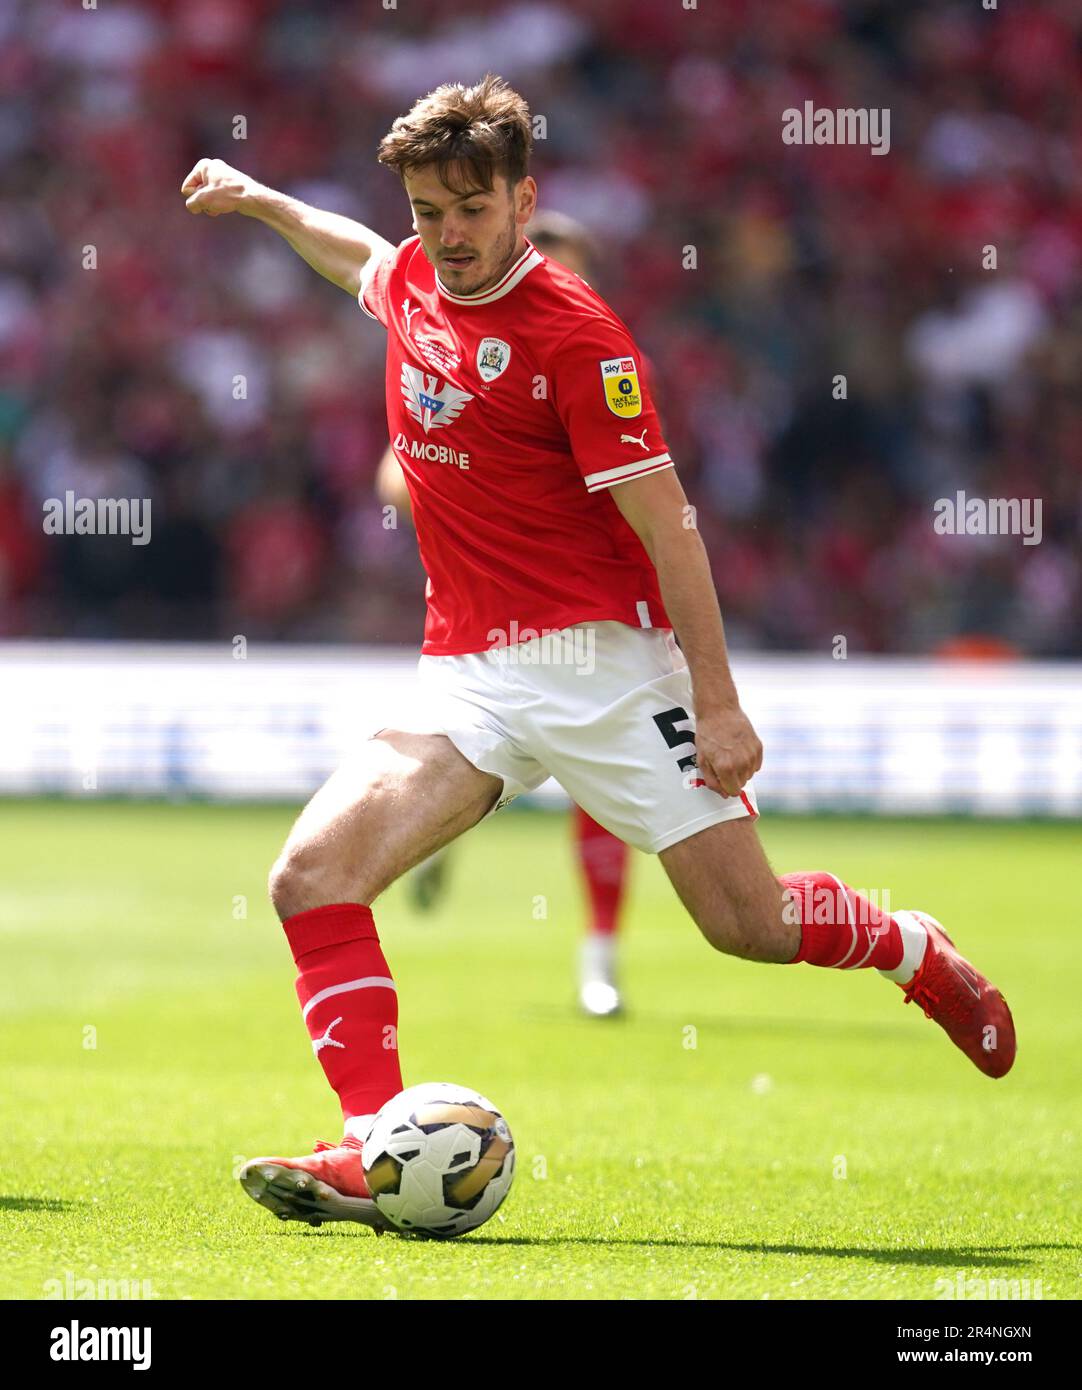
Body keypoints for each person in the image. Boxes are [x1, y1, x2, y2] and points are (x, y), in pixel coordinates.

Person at [181, 74, 1016, 1234]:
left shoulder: (575, 335)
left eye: (470, 208)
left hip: (608, 670)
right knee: (309, 878)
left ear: (525, 199)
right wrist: (263, 198)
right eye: (429, 209)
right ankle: (374, 1148)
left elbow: (668, 523)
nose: (447, 234)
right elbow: (354, 252)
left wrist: (716, 705)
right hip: (469, 674)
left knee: (748, 927)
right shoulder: (415, 272)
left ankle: (906, 945)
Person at [375, 209, 630, 1019]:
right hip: (489, 618)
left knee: (602, 790)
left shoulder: (602, 352)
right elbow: (394, 473)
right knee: (491, 759)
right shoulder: (457, 360)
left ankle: (600, 962)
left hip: (586, 614)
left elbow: (642, 487)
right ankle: (440, 828)